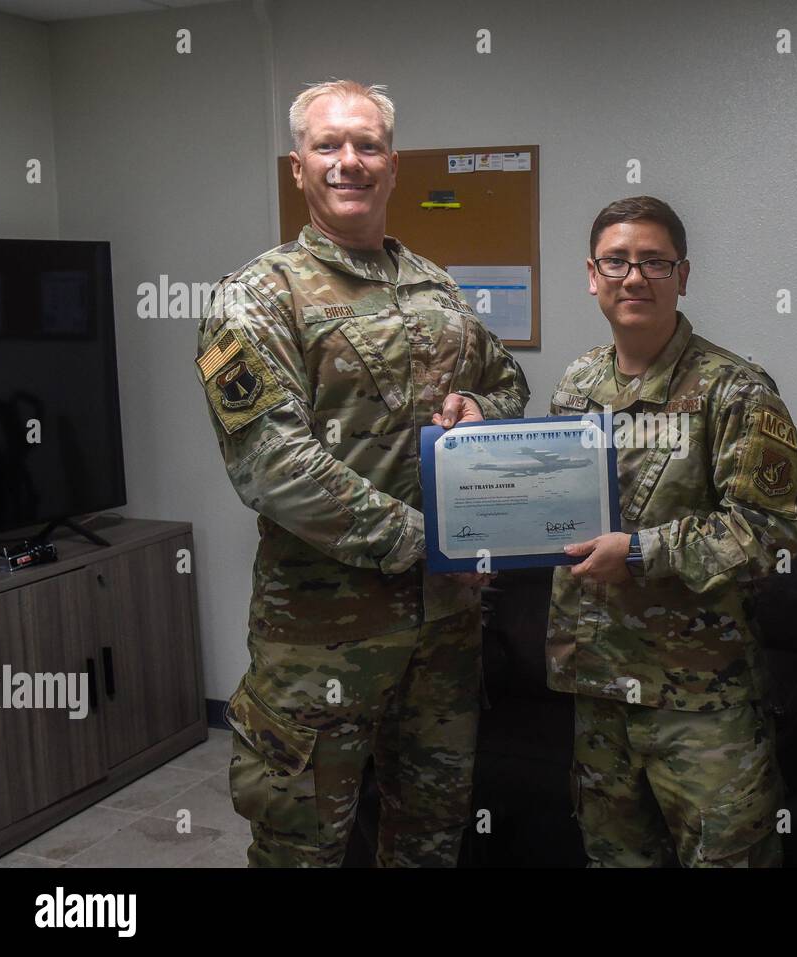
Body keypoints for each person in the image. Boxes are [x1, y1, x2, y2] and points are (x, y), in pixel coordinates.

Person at [195, 80, 529, 867]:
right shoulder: (255, 297)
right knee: (301, 847)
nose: (350, 161)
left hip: (443, 637)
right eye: (328, 145)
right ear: (298, 168)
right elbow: (274, 466)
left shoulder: (436, 287)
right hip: (321, 640)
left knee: (429, 839)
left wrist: (481, 406)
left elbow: (510, 386)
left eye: (367, 145)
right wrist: (430, 541)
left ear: (392, 163)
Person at [546, 196, 797, 867]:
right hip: (600, 691)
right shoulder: (576, 384)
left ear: (683, 276)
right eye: (617, 261)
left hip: (701, 704)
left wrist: (638, 552)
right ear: (592, 274)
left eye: (654, 263)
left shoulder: (737, 391)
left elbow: (769, 531)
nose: (634, 278)